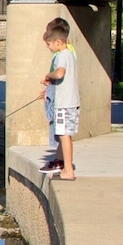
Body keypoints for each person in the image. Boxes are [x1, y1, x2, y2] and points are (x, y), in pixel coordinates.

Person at [39, 18, 79, 180]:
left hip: (64, 103)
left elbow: (60, 73)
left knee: (63, 135)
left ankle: (68, 170)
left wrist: (49, 75)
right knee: (64, 134)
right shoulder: (70, 53)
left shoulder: (62, 55)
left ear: (57, 42)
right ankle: (62, 164)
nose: (48, 47)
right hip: (70, 102)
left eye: (48, 44)